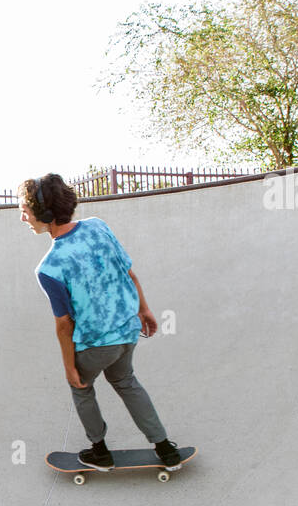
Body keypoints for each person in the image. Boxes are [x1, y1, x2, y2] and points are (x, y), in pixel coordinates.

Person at [20, 172, 182, 470]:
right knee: (125, 381)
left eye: (25, 211)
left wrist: (69, 366)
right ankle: (165, 449)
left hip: (96, 344)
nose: (23, 218)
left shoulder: (49, 267)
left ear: (44, 213)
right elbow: (128, 272)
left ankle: (100, 451)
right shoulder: (98, 226)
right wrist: (144, 310)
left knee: (81, 387)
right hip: (128, 332)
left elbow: (64, 324)